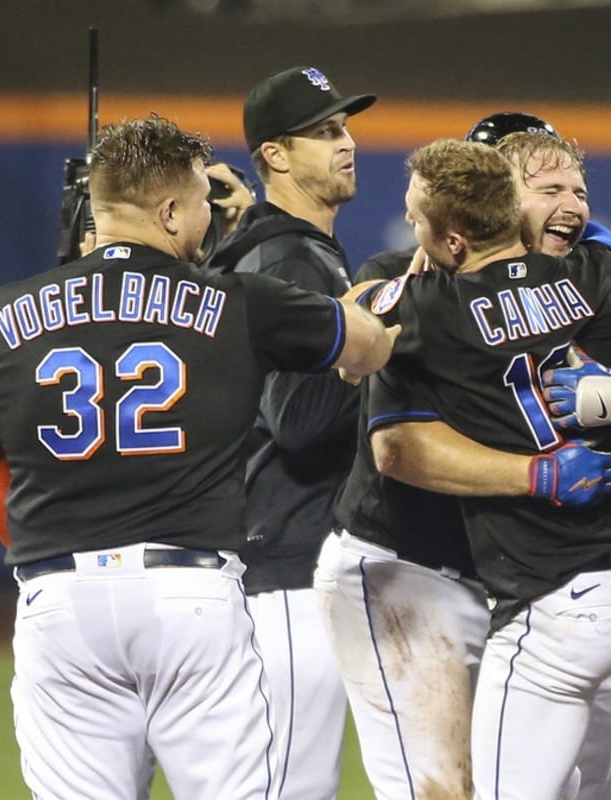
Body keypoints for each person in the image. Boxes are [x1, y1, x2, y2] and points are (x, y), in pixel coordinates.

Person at [0, 115, 396, 799]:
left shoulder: (2, 314)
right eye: (201, 201)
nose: (210, 214)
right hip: (188, 597)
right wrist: (353, 321)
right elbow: (370, 344)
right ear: (169, 211)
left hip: (58, 599)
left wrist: (29, 550)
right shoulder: (236, 300)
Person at [320, 118, 611, 799]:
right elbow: (397, 448)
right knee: (442, 787)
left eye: (577, 188)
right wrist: (538, 471)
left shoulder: (426, 298)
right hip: (412, 566)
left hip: (532, 578)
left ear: (451, 231)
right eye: (547, 187)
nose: (570, 204)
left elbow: (351, 337)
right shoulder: (582, 278)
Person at [204, 64, 375, 800]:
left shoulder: (285, 249)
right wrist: (378, 346)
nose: (348, 142)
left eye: (346, 127)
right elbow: (301, 422)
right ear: (274, 155)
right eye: (325, 132)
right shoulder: (290, 257)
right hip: (285, 570)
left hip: (276, 559)